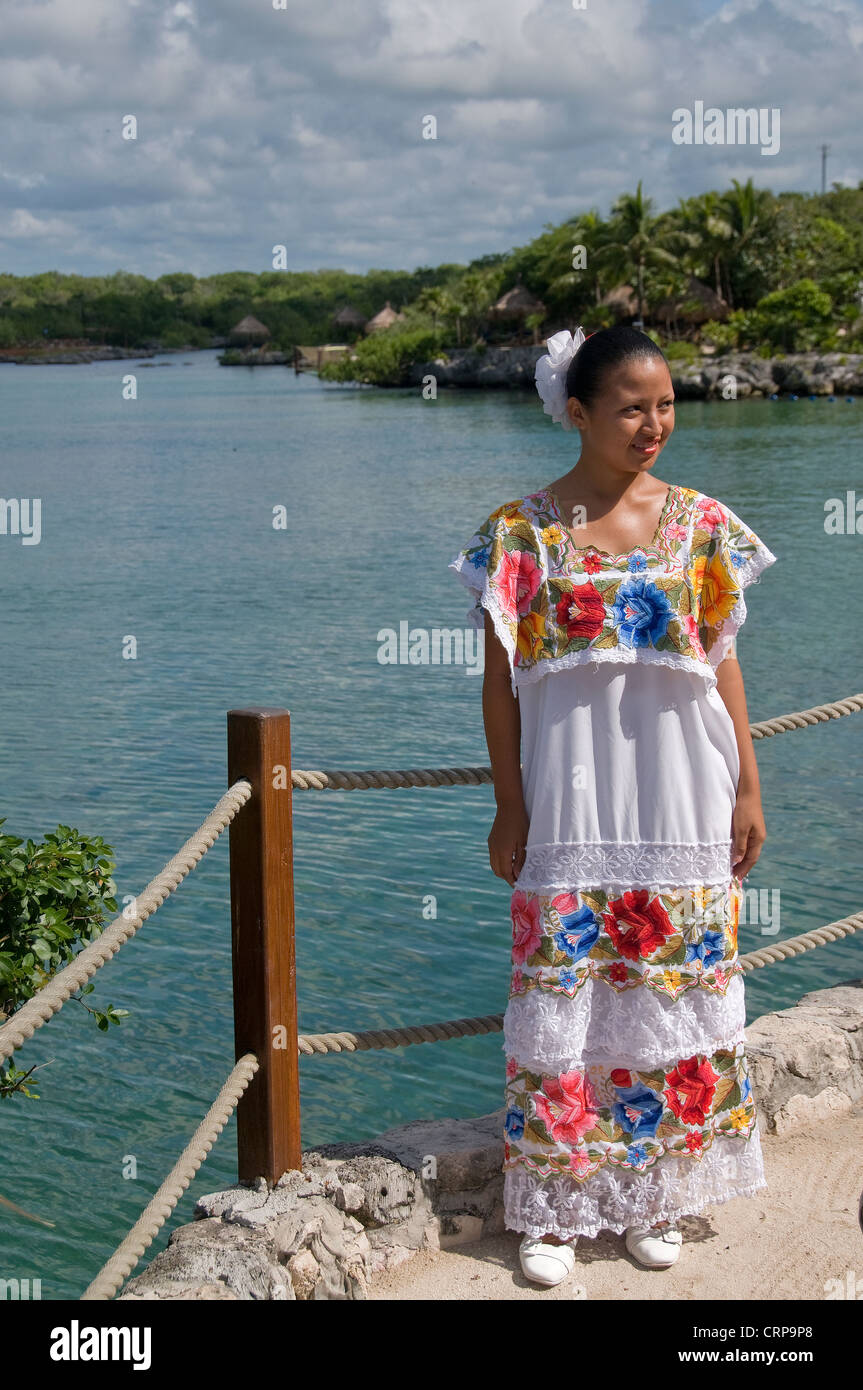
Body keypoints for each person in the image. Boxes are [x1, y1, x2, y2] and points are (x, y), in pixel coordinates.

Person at [448, 324, 778, 1286]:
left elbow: (720, 661)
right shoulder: (517, 533)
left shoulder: (704, 524)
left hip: (682, 795)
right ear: (578, 411)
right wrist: (509, 805)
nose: (653, 423)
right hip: (569, 804)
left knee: (669, 1002)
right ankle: (554, 1207)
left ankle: (659, 1191)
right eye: (631, 406)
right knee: (565, 997)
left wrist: (748, 787)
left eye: (665, 403)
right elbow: (498, 683)